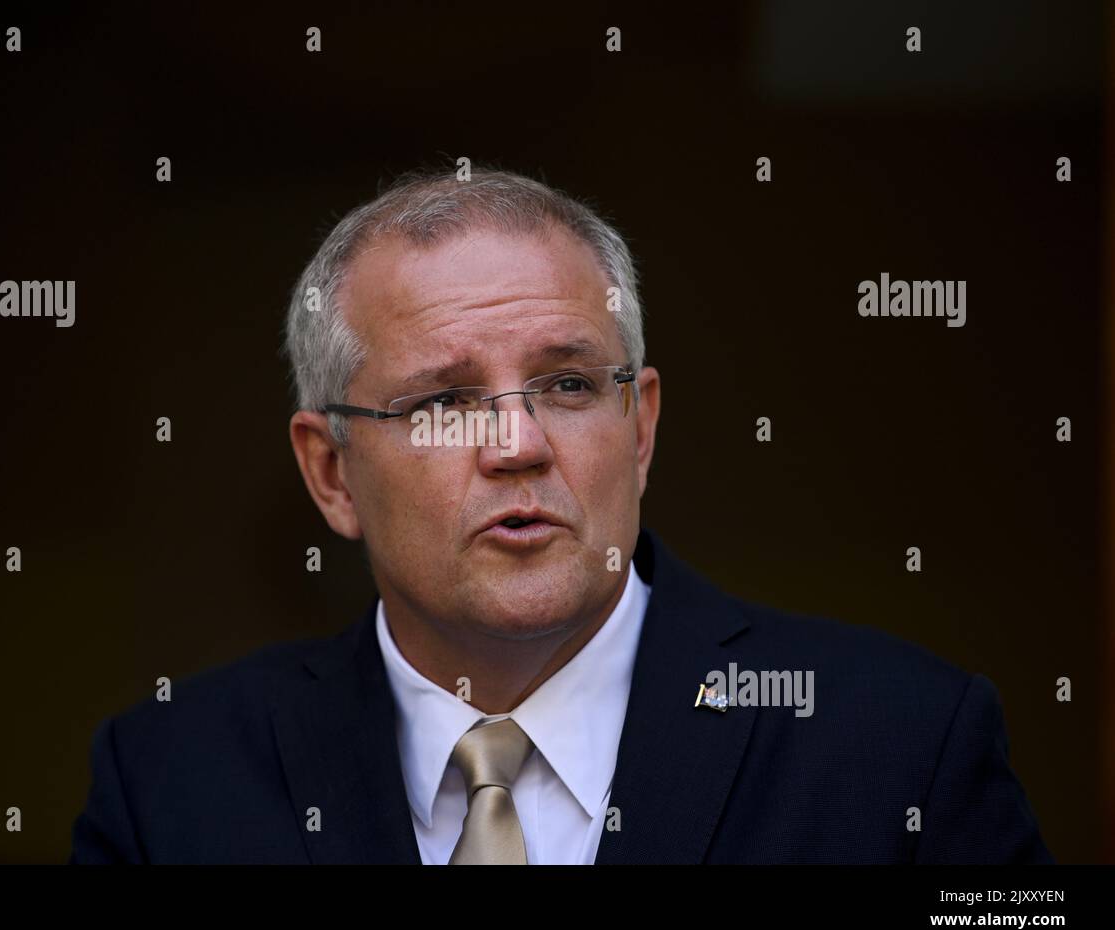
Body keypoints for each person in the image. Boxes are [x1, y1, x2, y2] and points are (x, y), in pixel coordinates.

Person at [70, 166, 1051, 864]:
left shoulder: (898, 746)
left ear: (640, 427)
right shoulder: (170, 781)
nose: (516, 444)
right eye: (443, 403)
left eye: (570, 383)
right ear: (331, 474)